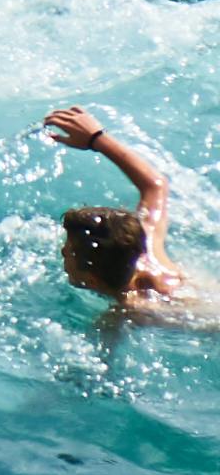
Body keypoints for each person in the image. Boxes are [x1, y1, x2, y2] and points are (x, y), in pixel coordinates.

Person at [39, 111, 204, 322]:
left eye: (67, 253)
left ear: (92, 281)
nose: (62, 250)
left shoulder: (133, 310)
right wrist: (96, 138)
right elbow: (155, 185)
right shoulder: (147, 249)